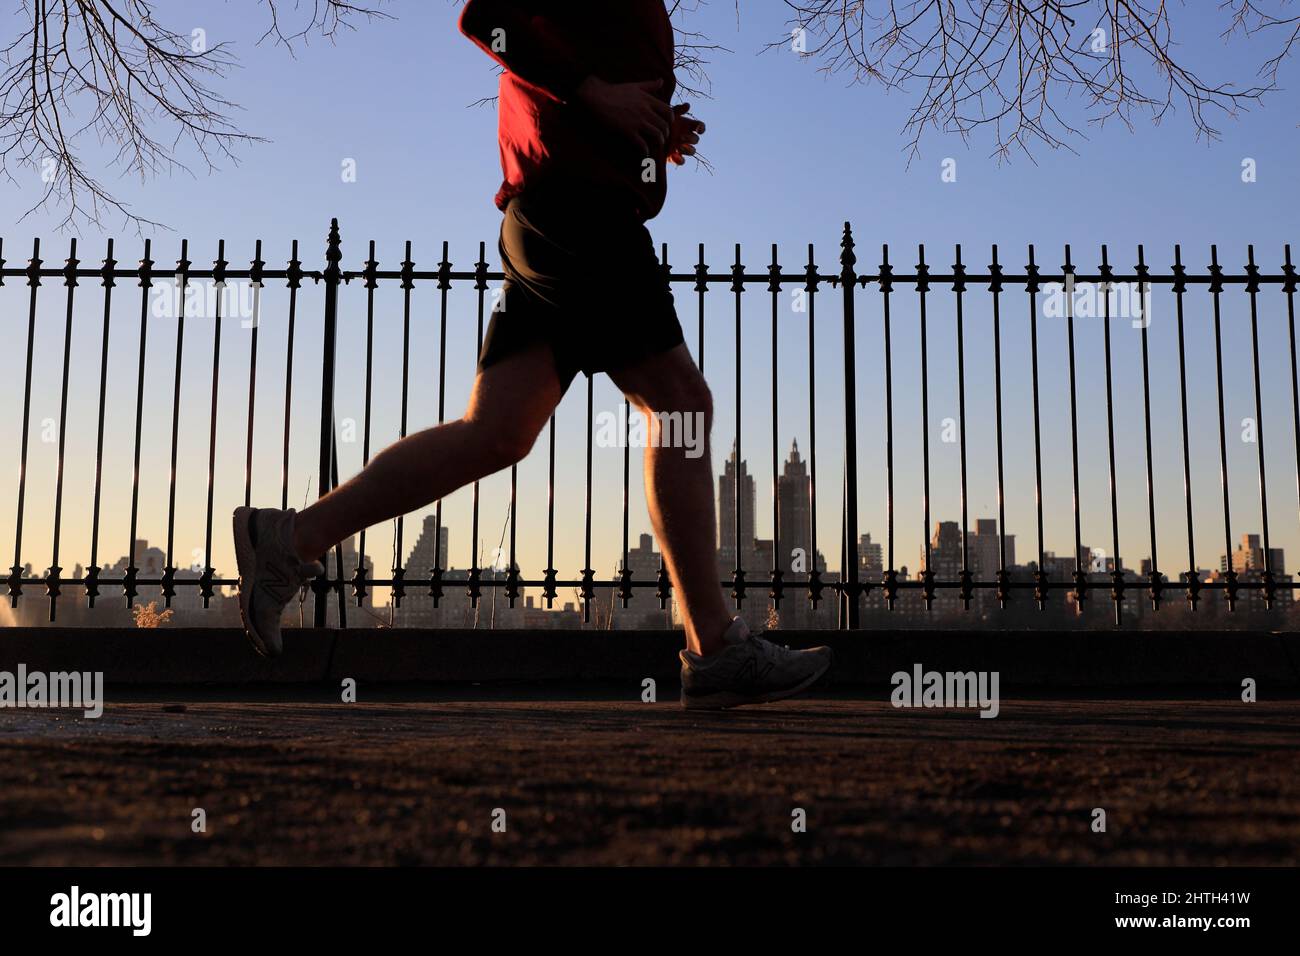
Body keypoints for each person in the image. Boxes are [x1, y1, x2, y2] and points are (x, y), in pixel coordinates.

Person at [233, 0, 831, 709]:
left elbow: (580, 59)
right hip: (579, 214)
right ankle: (716, 647)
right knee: (680, 403)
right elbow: (487, 15)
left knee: (497, 433)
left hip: (559, 214)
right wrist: (596, 96)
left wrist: (651, 130)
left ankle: (290, 539)